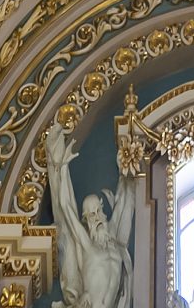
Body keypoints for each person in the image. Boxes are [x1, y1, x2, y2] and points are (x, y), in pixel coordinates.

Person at [44, 122, 133, 308]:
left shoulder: (115, 243)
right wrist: (63, 167)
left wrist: (125, 173)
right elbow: (65, 206)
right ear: (86, 220)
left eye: (98, 211)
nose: (97, 217)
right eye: (91, 215)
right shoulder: (86, 245)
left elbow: (122, 205)